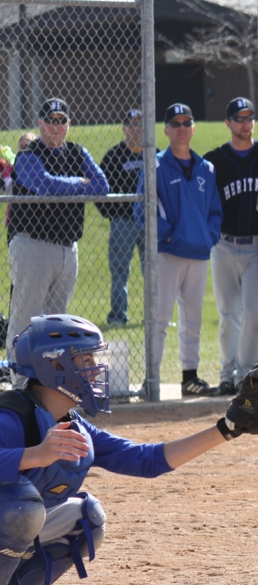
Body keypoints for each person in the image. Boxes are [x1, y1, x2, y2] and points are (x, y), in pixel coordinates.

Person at [0, 314, 252, 585]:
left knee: (86, 518)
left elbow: (146, 459)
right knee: (22, 507)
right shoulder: (11, 416)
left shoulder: (73, 426)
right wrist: (34, 455)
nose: (94, 368)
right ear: (54, 366)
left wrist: (227, 429)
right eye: (84, 359)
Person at [6, 98, 109, 384]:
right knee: (26, 317)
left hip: (67, 248)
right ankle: (18, 385)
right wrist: (80, 184)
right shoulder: (29, 153)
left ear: (68, 124)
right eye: (50, 120)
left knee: (55, 323)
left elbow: (102, 185)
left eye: (61, 120)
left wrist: (74, 183)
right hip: (32, 243)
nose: (56, 126)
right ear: (40, 124)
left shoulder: (77, 151)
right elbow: (43, 183)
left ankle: (47, 384)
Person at [204, 97, 258, 395]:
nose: (245, 123)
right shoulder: (214, 160)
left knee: (253, 311)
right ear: (228, 123)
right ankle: (226, 374)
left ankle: (245, 375)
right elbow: (205, 205)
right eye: (239, 118)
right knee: (228, 313)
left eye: (250, 117)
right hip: (224, 245)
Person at [134, 103, 222, 397]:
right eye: (176, 123)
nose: (182, 127)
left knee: (192, 320)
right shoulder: (155, 164)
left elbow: (215, 212)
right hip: (167, 252)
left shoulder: (206, 168)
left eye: (187, 122)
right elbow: (142, 209)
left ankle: (190, 376)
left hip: (198, 254)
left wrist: (207, 237)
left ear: (194, 129)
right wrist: (169, 235)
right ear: (166, 129)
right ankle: (152, 379)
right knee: (159, 319)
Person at [100, 109, 145, 327]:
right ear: (123, 129)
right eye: (131, 125)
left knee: (153, 271)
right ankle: (118, 316)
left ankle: (154, 317)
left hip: (150, 222)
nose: (135, 129)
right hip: (122, 222)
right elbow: (99, 189)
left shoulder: (153, 153)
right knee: (119, 271)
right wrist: (110, 214)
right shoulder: (113, 156)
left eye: (139, 124)